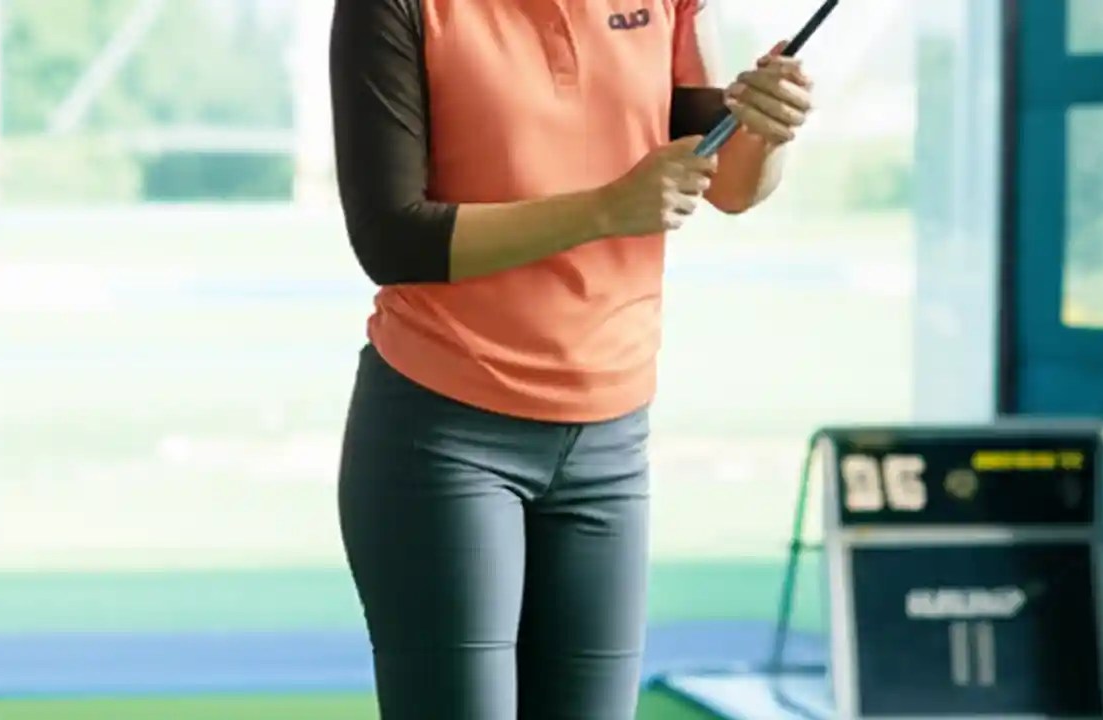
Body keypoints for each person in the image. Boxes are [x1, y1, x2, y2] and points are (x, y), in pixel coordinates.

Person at [329, 1, 814, 717]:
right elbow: (391, 239)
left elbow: (731, 183)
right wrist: (605, 209)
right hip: (442, 436)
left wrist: (770, 128)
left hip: (611, 444)